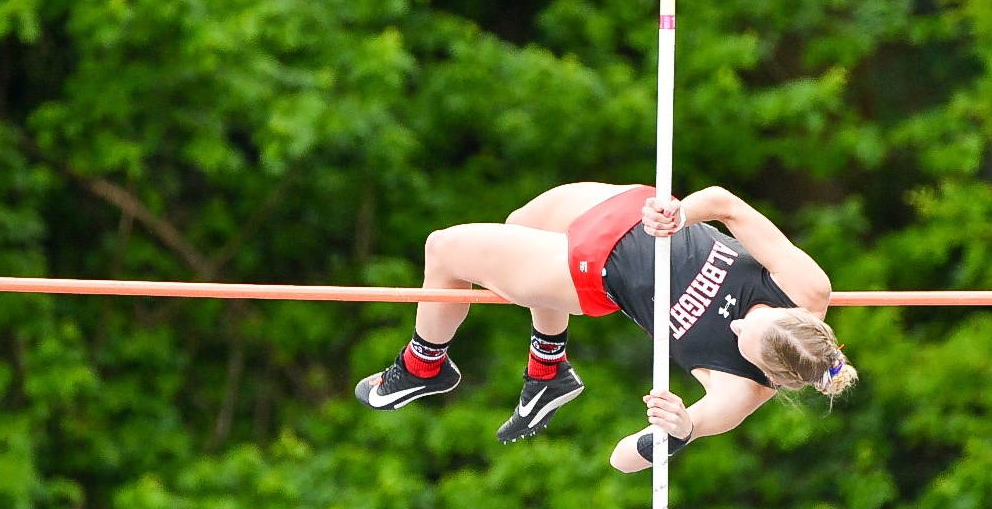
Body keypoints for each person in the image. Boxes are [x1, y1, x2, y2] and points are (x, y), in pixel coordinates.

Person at [354, 182, 858, 472]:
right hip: (628, 207)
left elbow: (623, 460)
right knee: (513, 228)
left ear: (762, 372)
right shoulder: (808, 287)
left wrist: (676, 433)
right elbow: (726, 205)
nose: (737, 323)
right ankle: (548, 371)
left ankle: (423, 366)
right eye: (755, 315)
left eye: (741, 340)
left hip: (592, 270)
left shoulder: (735, 394)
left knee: (445, 249)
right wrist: (683, 214)